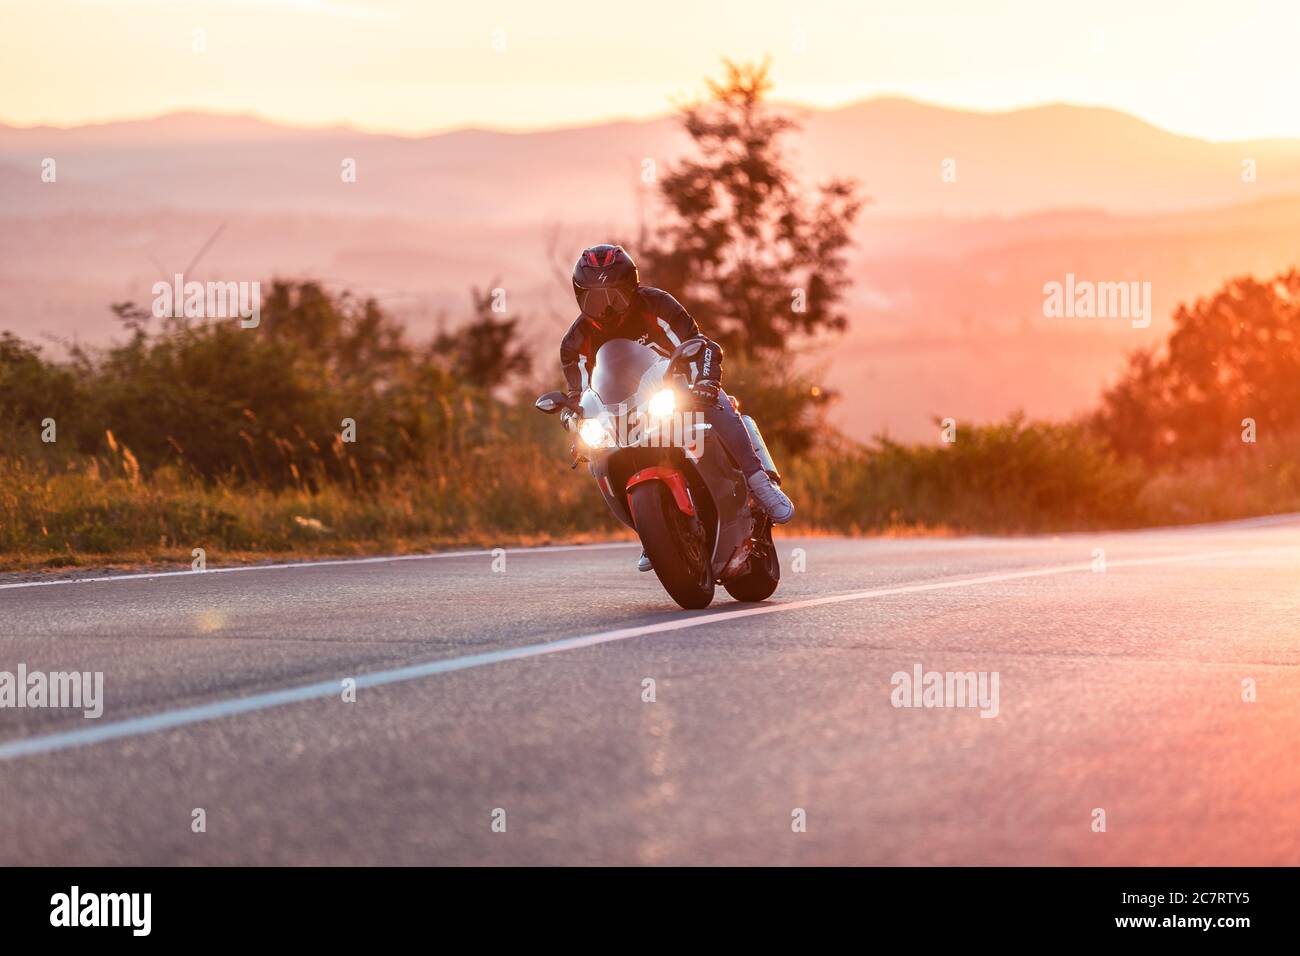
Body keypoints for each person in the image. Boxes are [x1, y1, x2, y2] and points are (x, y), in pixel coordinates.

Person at [560, 244, 794, 572]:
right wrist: (573, 416)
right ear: (579, 297)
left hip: (674, 388)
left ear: (632, 288)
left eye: (615, 297)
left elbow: (697, 343)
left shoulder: (655, 304)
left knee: (717, 403)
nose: (607, 309)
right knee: (598, 455)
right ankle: (652, 531)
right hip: (622, 413)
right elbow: (581, 393)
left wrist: (705, 383)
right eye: (595, 299)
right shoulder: (575, 342)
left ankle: (759, 482)